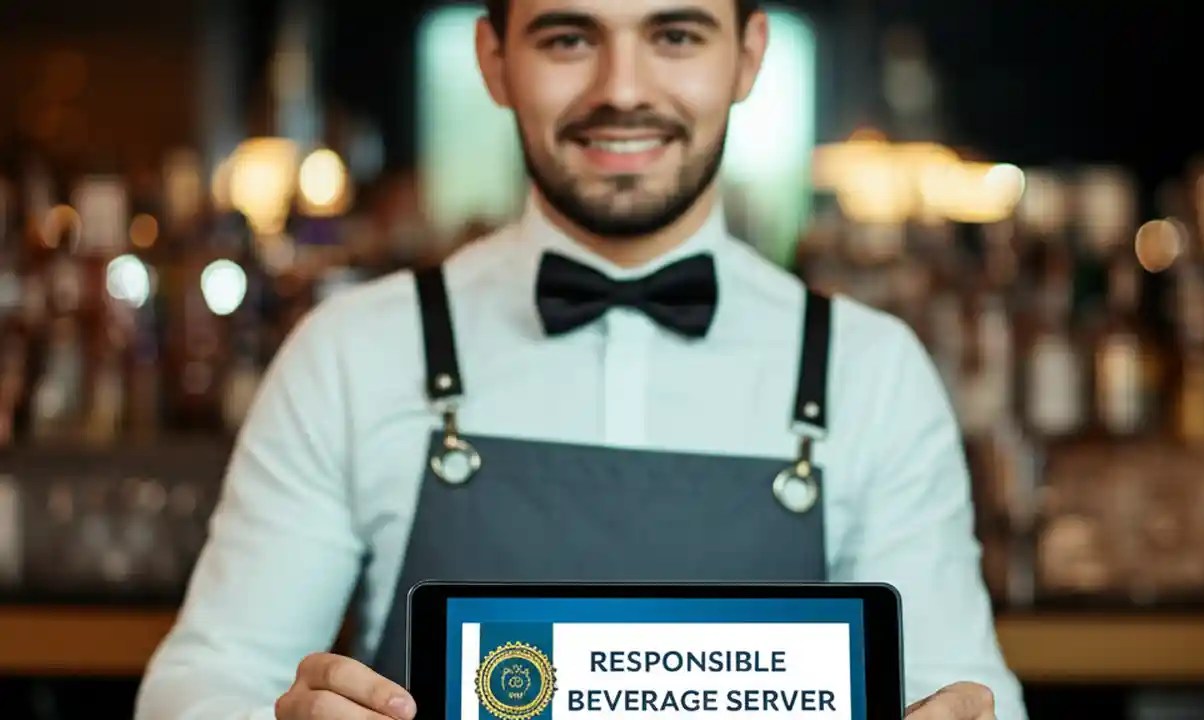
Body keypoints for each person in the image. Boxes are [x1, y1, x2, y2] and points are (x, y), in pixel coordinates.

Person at [135, 0, 1027, 718]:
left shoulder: (870, 371)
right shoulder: (353, 352)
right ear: (494, 60)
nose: (621, 89)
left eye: (675, 34)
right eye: (569, 36)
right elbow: (204, 678)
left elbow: (967, 687)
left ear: (748, 55)